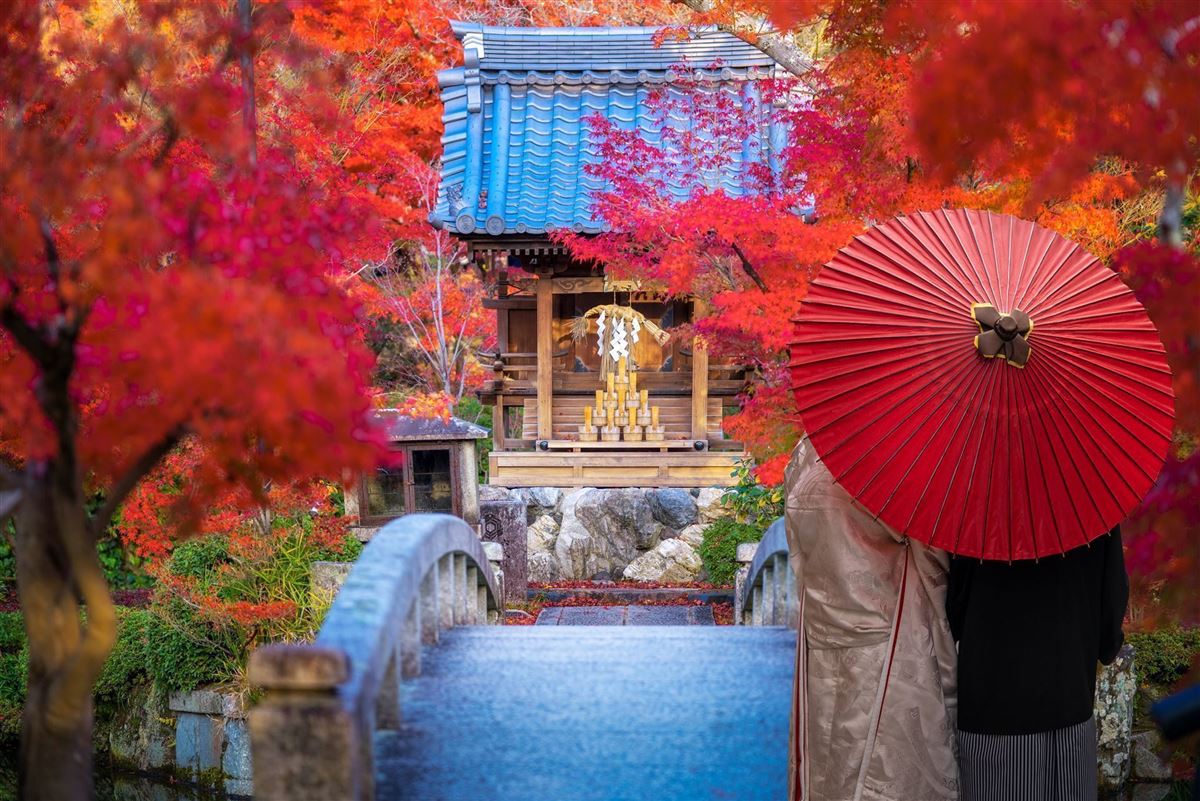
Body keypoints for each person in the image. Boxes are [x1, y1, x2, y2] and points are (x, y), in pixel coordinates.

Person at [784, 440, 959, 801]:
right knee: (883, 772)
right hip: (888, 636)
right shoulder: (899, 457)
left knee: (827, 766)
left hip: (822, 631)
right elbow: (933, 564)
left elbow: (799, 554)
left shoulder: (805, 454)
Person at [947, 527, 1128, 801]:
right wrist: (1102, 645)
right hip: (1070, 695)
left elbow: (953, 609)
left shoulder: (975, 514)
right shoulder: (1091, 514)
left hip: (993, 702)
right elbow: (1112, 602)